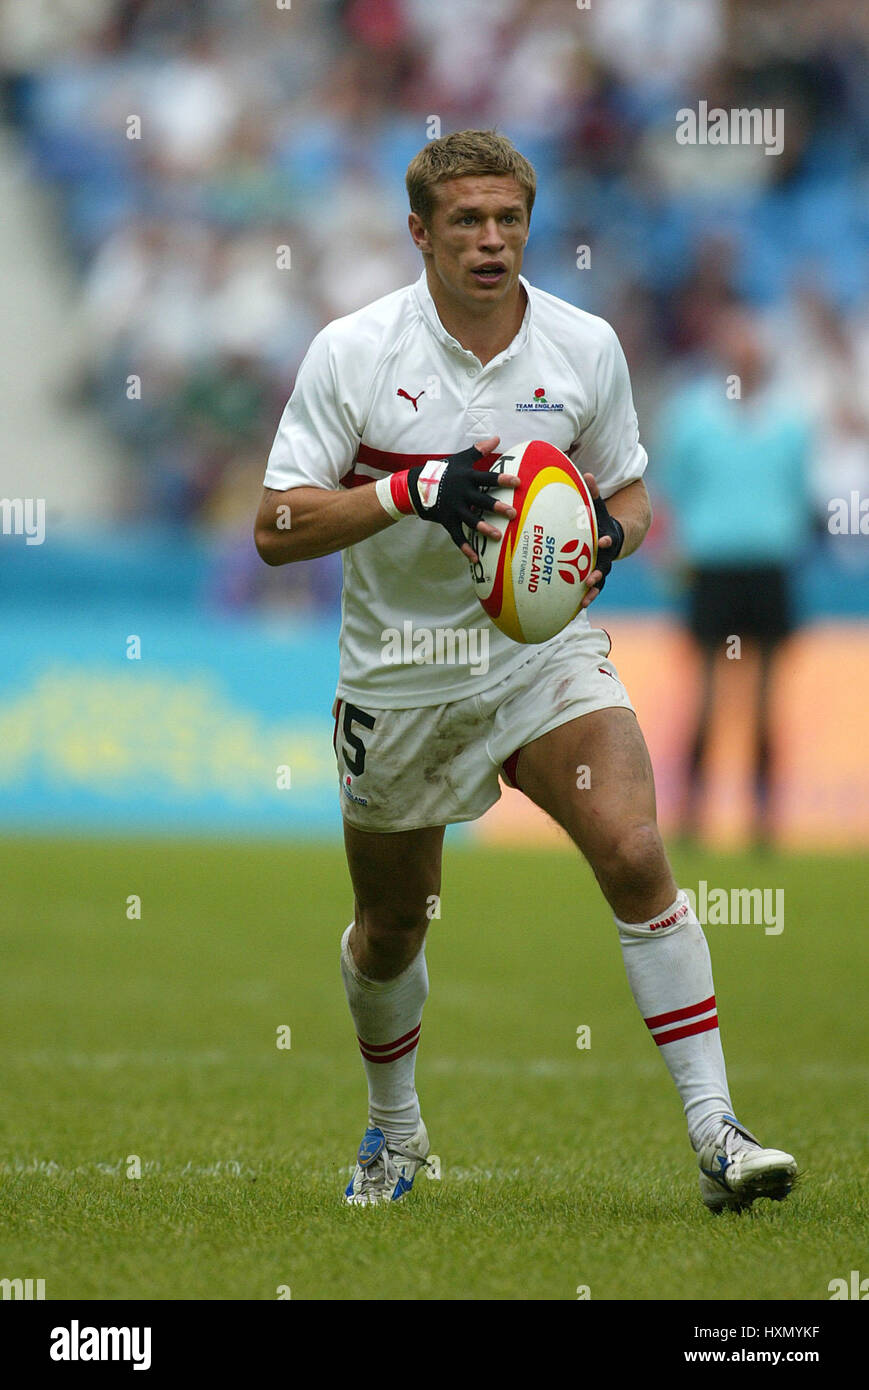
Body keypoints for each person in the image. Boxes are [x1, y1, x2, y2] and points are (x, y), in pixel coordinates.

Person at [254, 130, 796, 1213]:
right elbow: (274, 524)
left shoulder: (584, 346)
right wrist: (414, 493)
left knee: (635, 848)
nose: (490, 239)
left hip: (537, 657)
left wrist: (602, 533)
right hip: (399, 672)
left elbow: (633, 496)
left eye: (507, 219)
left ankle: (716, 1132)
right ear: (419, 232)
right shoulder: (353, 352)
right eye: (465, 220)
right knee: (392, 925)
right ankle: (396, 1135)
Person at [657, 307, 815, 845]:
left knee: (767, 699)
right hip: (714, 567)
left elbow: (799, 493)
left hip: (768, 565)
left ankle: (763, 819)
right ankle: (693, 814)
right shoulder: (694, 415)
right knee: (703, 695)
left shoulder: (791, 420)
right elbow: (672, 491)